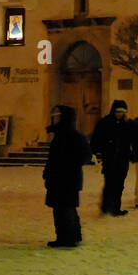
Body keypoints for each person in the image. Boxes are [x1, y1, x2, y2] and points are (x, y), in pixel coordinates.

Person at [44, 104, 92, 247]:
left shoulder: (74, 136)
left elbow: (86, 156)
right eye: (53, 117)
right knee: (61, 208)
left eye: (57, 117)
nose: (54, 120)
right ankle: (67, 236)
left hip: (68, 179)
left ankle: (69, 238)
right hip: (58, 178)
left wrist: (69, 164)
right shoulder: (59, 136)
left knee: (66, 208)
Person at [91, 99, 132, 217]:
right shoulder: (104, 122)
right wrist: (98, 151)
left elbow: (133, 135)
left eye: (123, 111)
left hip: (122, 158)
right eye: (118, 111)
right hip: (109, 158)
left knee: (119, 184)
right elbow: (96, 139)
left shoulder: (126, 123)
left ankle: (115, 208)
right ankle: (105, 207)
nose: (120, 114)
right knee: (109, 183)